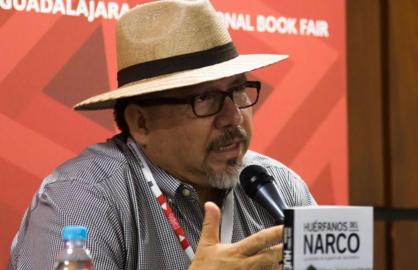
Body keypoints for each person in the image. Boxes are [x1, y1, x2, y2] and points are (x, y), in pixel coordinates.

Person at [9, 0, 316, 269]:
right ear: (141, 123)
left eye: (237, 90)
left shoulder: (281, 188)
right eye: (205, 99)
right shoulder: (80, 199)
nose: (234, 116)